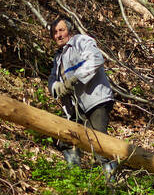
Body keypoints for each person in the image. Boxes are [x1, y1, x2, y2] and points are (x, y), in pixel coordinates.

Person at [47, 15, 117, 174]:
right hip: (76, 108)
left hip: (96, 99)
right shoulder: (58, 58)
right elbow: (51, 79)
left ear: (68, 31)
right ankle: (75, 177)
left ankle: (112, 182)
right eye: (55, 32)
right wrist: (56, 87)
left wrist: (75, 78)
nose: (58, 35)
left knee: (99, 142)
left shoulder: (81, 41)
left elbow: (96, 58)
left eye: (61, 30)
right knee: (65, 138)